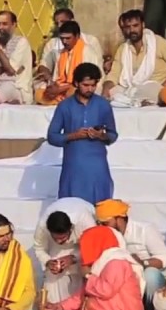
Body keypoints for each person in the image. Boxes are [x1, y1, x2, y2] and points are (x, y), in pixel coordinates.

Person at [49, 226, 155, 310]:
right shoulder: (99, 263)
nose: (83, 250)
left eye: (86, 245)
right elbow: (83, 295)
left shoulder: (117, 262)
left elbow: (105, 291)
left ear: (95, 243)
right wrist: (58, 306)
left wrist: (88, 275)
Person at [47, 63, 117, 205]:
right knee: (72, 208)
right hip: (74, 166)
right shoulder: (65, 106)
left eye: (93, 85)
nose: (90, 89)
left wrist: (100, 136)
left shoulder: (103, 105)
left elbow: (113, 135)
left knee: (100, 207)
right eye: (86, 85)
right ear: (77, 83)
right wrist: (74, 136)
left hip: (98, 166)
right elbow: (52, 136)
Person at [96, 198, 166, 310]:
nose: (103, 228)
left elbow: (165, 257)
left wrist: (143, 263)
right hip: (122, 280)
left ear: (119, 219)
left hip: (150, 279)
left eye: (106, 223)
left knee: (150, 274)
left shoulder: (144, 229)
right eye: (99, 224)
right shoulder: (104, 235)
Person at [102, 10, 166, 108]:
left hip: (155, 87)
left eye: (135, 26)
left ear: (143, 25)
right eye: (128, 27)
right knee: (109, 92)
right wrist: (105, 91)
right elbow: (114, 75)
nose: (132, 30)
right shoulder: (123, 49)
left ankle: (134, 102)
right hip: (130, 88)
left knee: (148, 91)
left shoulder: (157, 42)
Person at [33, 197, 97, 304]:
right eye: (56, 238)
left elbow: (94, 249)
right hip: (58, 248)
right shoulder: (43, 227)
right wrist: (48, 262)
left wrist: (73, 257)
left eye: (62, 238)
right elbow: (39, 248)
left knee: (84, 272)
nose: (59, 241)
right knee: (51, 276)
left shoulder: (86, 222)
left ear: (70, 229)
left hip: (84, 244)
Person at [35, 21, 103, 106]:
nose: (64, 42)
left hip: (82, 87)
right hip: (63, 88)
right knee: (39, 93)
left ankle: (63, 101)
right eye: (62, 38)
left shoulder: (87, 52)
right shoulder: (61, 53)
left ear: (77, 36)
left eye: (68, 38)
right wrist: (53, 86)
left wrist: (60, 89)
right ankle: (61, 101)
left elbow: (86, 81)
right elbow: (57, 78)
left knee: (72, 92)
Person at [37, 10, 104, 86]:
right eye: (56, 23)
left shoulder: (90, 44)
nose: (59, 26)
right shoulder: (54, 45)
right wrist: (49, 80)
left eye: (63, 22)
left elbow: (96, 72)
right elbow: (44, 65)